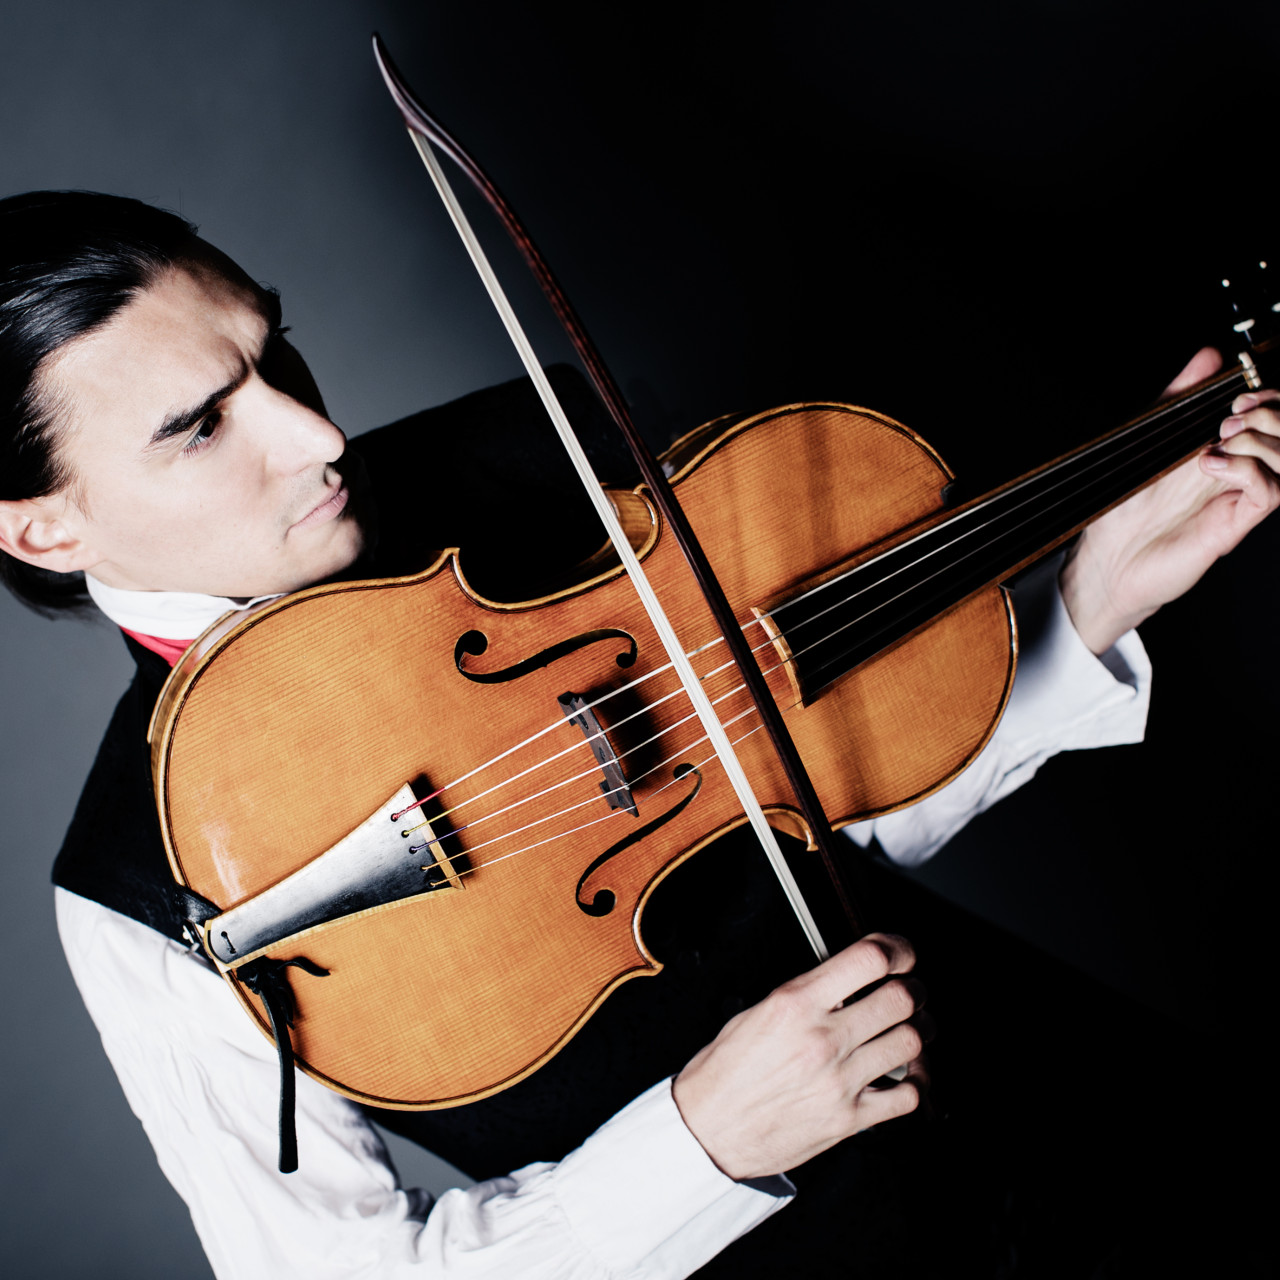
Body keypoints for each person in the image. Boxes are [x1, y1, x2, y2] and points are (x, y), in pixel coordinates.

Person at [1, 190, 1276, 1278]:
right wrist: (702, 1138)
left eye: (277, 355)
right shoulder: (135, 882)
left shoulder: (536, 453)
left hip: (1082, 1101)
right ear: (45, 526)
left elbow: (804, 806)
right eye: (201, 424)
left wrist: (1080, 607)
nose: (317, 434)